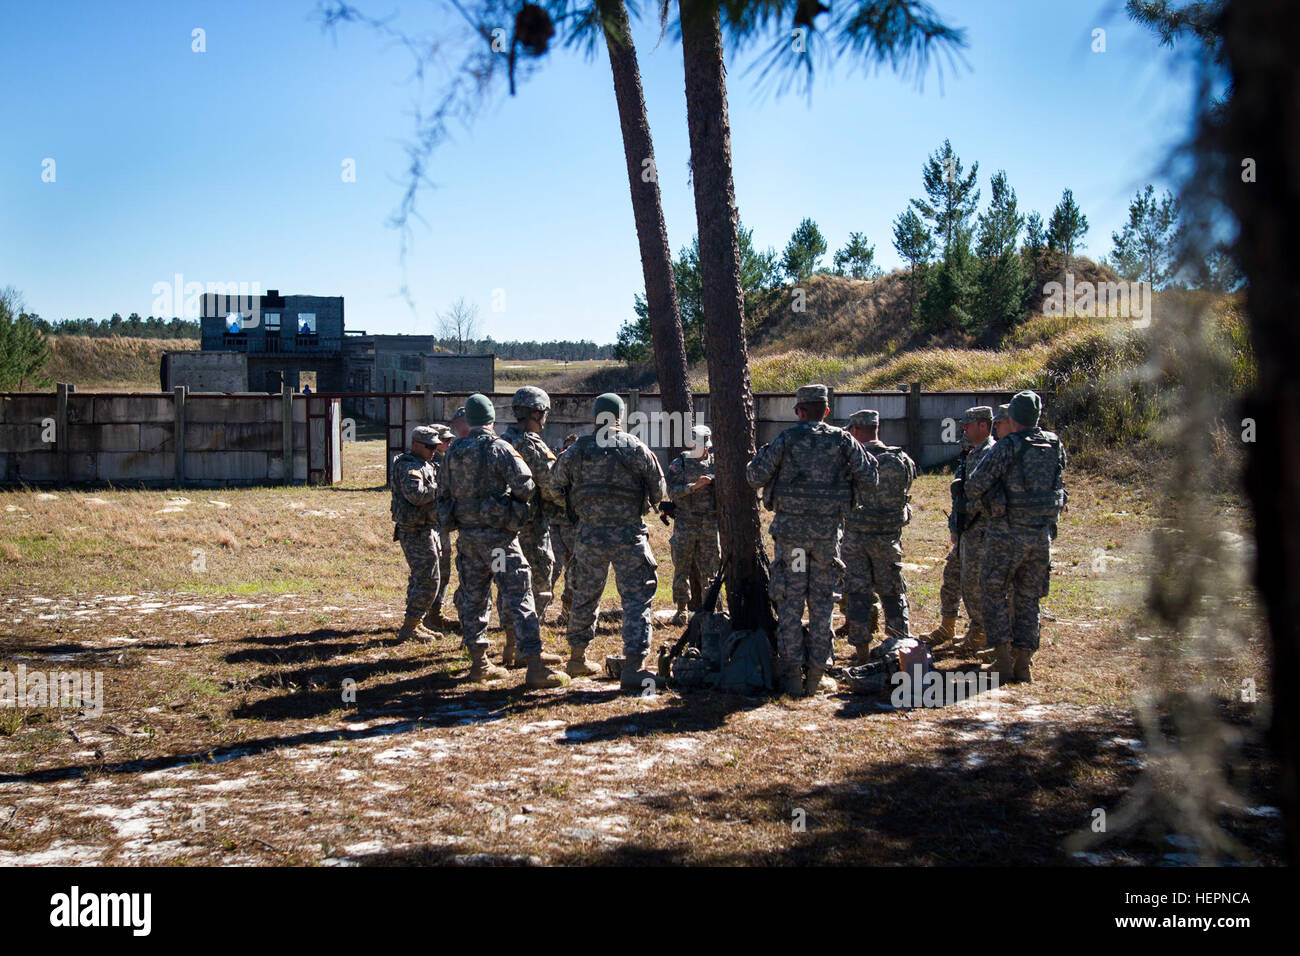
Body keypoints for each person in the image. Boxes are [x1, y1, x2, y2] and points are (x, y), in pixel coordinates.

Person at [746, 384, 877, 697]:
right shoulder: (843, 440)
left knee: (791, 602)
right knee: (822, 603)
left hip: (793, 541)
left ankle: (792, 676)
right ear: (826, 411)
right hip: (826, 539)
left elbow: (754, 477)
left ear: (800, 411)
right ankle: (817, 675)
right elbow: (871, 478)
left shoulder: (786, 440)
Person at [435, 394, 567, 689]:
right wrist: (511, 509)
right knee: (519, 595)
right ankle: (534, 665)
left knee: (473, 598)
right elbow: (526, 484)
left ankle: (480, 664)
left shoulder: (453, 451)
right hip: (499, 540)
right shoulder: (499, 447)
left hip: (468, 538)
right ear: (492, 419)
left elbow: (442, 492)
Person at [552, 393, 667, 692]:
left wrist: (581, 507)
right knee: (636, 599)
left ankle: (577, 659)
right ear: (621, 416)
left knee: (584, 595)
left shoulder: (577, 449)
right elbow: (659, 491)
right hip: (629, 536)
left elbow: (555, 485)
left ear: (595, 416)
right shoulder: (636, 448)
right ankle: (634, 667)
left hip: (589, 536)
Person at [965, 390, 1067, 683]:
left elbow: (975, 485)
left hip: (1007, 534)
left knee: (993, 591)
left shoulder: (1008, 446)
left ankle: (1002, 661)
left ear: (1012, 417)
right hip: (1041, 535)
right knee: (1028, 597)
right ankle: (1023, 664)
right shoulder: (1053, 444)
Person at [842, 409, 916, 664]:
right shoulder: (901, 460)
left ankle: (862, 654)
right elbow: (905, 500)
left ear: (854, 431)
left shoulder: (851, 461)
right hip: (887, 539)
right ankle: (902, 650)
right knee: (893, 594)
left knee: (858, 595)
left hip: (855, 540)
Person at [498, 387, 565, 669]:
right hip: (531, 527)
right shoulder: (532, 444)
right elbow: (551, 485)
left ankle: (511, 645)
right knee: (539, 584)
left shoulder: (501, 441)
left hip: (503, 528)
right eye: (545, 413)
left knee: (509, 584)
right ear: (536, 413)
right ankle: (529, 647)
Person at [389, 425, 443, 642]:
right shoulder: (409, 466)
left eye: (435, 447)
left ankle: (415, 622)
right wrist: (442, 489)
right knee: (429, 579)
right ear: (415, 445)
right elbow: (416, 496)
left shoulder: (425, 464)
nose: (434, 451)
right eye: (429, 447)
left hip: (426, 528)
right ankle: (410, 627)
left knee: (421, 577)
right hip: (415, 530)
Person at [665, 424, 720, 626]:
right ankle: (682, 610)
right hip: (685, 523)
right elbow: (672, 492)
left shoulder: (716, 464)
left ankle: (712, 610)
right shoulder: (680, 463)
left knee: (710, 570)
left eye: (703, 446)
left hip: (709, 524)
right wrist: (694, 486)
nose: (700, 449)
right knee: (682, 567)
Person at [955, 406, 997, 655]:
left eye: (968, 424)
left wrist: (968, 508)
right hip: (969, 528)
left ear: (983, 425)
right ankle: (977, 629)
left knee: (977, 583)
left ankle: (984, 633)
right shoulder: (972, 453)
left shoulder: (991, 453)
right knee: (965, 581)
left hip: (982, 529)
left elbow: (988, 494)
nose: (964, 428)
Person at [548, 433, 580, 627]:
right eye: (565, 448)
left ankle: (567, 613)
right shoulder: (558, 464)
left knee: (573, 571)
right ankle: (540, 608)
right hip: (556, 524)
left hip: (572, 525)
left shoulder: (581, 466)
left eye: (570, 448)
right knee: (552, 567)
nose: (566, 452)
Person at [429, 424, 455, 627]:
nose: (448, 443)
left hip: (443, 525)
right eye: (444, 440)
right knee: (430, 573)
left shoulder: (448, 461)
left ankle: (436, 612)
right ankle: (425, 615)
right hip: (430, 525)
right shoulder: (424, 464)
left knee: (444, 570)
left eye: (449, 440)